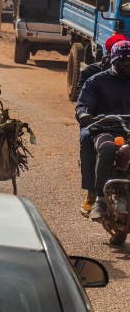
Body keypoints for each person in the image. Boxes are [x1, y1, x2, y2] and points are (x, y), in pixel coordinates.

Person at [75, 41, 130, 219]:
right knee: (107, 149)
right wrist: (84, 113)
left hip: (128, 130)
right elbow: (82, 104)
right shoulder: (96, 81)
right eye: (124, 62)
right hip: (105, 129)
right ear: (114, 61)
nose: (128, 66)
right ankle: (99, 198)